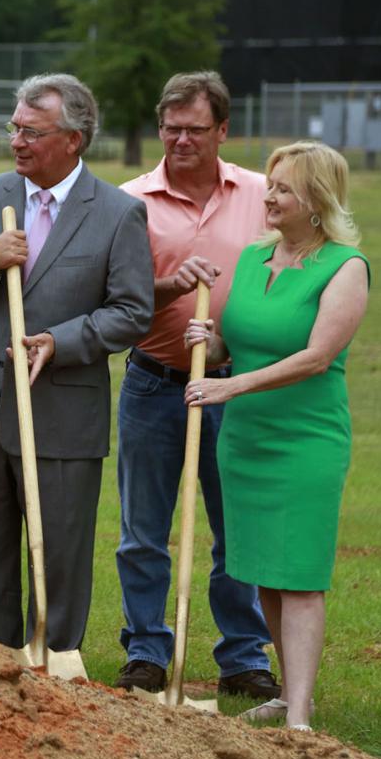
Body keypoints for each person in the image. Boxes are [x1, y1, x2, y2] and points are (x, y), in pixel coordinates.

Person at [0, 73, 153, 653]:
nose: (17, 141)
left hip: (63, 414)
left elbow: (132, 312)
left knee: (59, 557)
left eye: (31, 131)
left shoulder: (117, 212)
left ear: (73, 139)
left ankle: (53, 674)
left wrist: (60, 340)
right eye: (14, 128)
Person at [184, 141, 368, 731]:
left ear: (315, 201)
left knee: (301, 574)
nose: (269, 196)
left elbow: (316, 357)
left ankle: (302, 718)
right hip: (246, 441)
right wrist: (207, 342)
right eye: (270, 185)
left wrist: (229, 389)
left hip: (305, 441)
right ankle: (288, 695)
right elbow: (230, 348)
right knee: (263, 567)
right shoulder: (253, 257)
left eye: (284, 188)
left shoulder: (346, 267)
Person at [113, 72, 278, 698]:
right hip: (155, 381)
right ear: (160, 128)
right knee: (142, 530)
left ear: (223, 130)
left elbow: (285, 279)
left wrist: (233, 342)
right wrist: (169, 286)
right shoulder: (129, 200)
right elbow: (115, 295)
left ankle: (243, 657)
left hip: (235, 386)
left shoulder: (262, 195)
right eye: (172, 128)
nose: (182, 140)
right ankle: (148, 651)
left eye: (196, 129)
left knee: (235, 528)